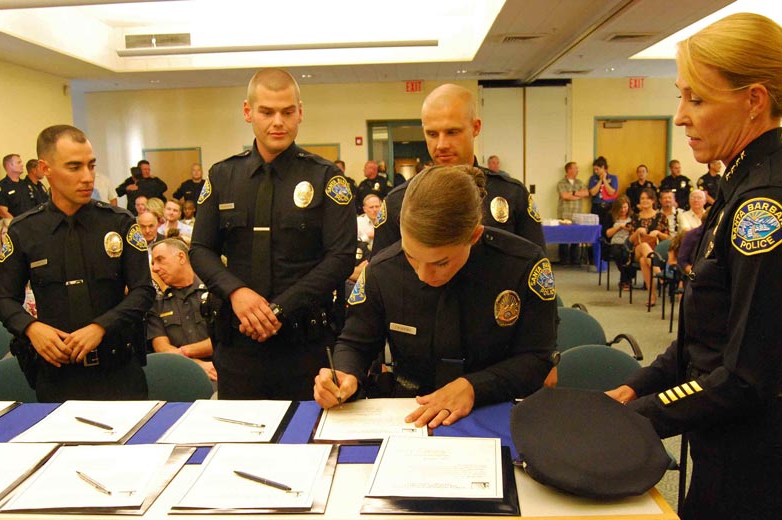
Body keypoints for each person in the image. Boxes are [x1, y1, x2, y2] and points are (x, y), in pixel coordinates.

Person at [606, 13, 782, 520]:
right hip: (739, 448)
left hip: (758, 459)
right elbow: (700, 341)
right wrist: (635, 386)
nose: (681, 114)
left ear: (754, 99)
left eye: (695, 97)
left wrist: (639, 420)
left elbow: (745, 376)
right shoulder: (748, 186)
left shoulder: (769, 209)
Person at [314, 165, 556, 428]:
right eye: (411, 258)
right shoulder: (383, 271)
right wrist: (345, 373)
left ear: (474, 235)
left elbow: (537, 358)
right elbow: (356, 343)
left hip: (493, 407)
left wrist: (474, 387)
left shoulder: (522, 266)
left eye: (441, 263)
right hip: (411, 410)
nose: (422, 275)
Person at [189, 68, 355, 400]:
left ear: (300, 113)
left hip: (304, 344)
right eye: (267, 112)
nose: (277, 121)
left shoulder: (326, 178)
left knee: (308, 442)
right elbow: (200, 249)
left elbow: (341, 257)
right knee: (241, 443)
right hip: (239, 347)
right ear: (248, 112)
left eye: (287, 111)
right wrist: (237, 293)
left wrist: (278, 310)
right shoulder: (223, 176)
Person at [0, 125, 154, 402]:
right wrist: (32, 328)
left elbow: (143, 291)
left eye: (91, 166)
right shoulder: (25, 230)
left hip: (117, 370)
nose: (87, 177)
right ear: (45, 168)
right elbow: (5, 298)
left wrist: (101, 327)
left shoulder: (118, 222)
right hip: (58, 375)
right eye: (74, 167)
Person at [374, 84, 544, 254]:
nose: (441, 145)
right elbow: (381, 273)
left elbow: (537, 266)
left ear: (475, 127)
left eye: (452, 132)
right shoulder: (400, 201)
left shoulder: (511, 195)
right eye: (432, 134)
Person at [145, 238, 217, 384]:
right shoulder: (157, 304)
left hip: (219, 370)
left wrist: (183, 352)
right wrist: (197, 366)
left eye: (160, 260)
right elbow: (161, 347)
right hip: (180, 376)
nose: (155, 268)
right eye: (153, 263)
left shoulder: (214, 293)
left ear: (181, 257)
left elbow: (221, 341)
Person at [557, 161, 589, 264]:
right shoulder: (561, 183)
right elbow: (564, 196)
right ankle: (564, 260)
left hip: (577, 215)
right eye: (575, 168)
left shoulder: (579, 182)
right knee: (563, 238)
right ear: (569, 170)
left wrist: (573, 194)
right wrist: (577, 196)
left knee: (576, 237)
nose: (577, 170)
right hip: (564, 214)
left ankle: (575, 260)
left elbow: (586, 193)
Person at [604, 196, 636, 288]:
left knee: (628, 253)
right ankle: (626, 278)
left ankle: (625, 279)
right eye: (620, 208)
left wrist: (630, 229)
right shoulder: (610, 216)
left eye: (625, 207)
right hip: (615, 242)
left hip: (629, 241)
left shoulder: (633, 216)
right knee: (617, 252)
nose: (623, 210)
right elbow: (607, 234)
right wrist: (619, 227)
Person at [0, 153, 29, 219]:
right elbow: (2, 212)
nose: (22, 165)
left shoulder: (26, 184)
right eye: (19, 162)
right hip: (16, 225)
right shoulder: (1, 187)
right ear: (9, 165)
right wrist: (17, 225)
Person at [589, 156, 618, 232]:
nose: (595, 171)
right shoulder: (593, 178)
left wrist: (604, 180)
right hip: (597, 207)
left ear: (603, 167)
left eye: (597, 169)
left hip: (609, 206)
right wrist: (600, 180)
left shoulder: (613, 178)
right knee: (596, 230)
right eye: (594, 169)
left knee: (608, 228)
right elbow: (593, 193)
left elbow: (611, 192)